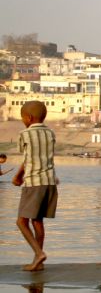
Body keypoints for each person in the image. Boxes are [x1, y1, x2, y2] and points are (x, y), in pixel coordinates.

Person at [13, 101, 58, 273]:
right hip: (50, 182)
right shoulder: (51, 133)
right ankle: (37, 262)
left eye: (22, 117)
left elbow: (27, 159)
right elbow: (44, 157)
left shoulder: (25, 134)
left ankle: (39, 254)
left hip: (33, 182)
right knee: (37, 221)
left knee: (21, 221)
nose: (23, 120)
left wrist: (18, 176)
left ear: (29, 117)